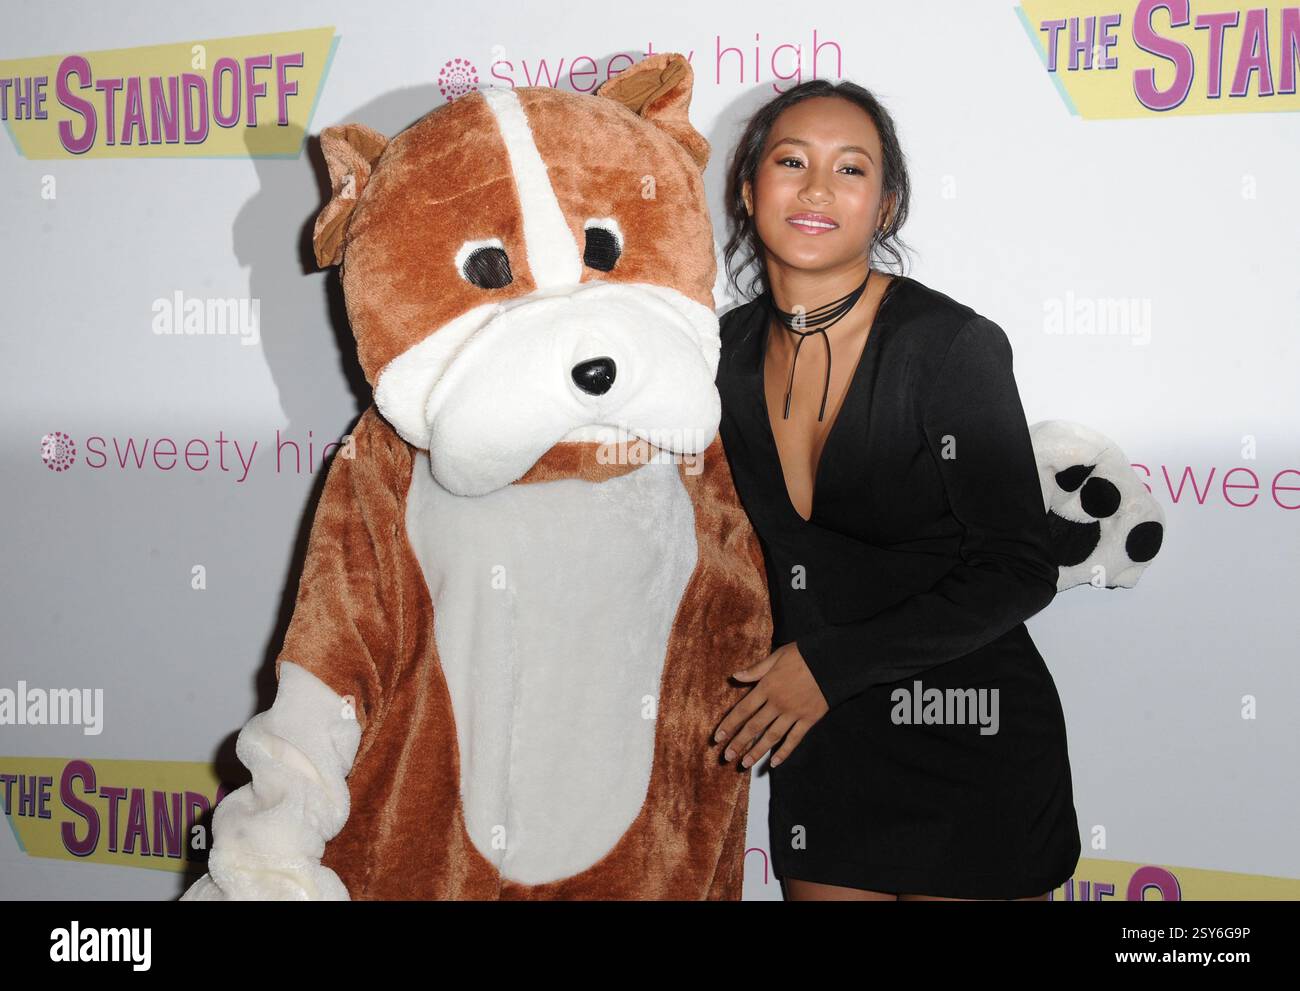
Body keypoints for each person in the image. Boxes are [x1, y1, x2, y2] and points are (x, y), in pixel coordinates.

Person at [710, 79, 1082, 901]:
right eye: (791, 160)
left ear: (885, 207)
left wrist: (829, 663)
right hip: (823, 747)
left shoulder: (948, 346)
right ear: (747, 188)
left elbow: (1020, 567)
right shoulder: (718, 353)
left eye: (851, 169)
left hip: (971, 736)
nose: (815, 188)